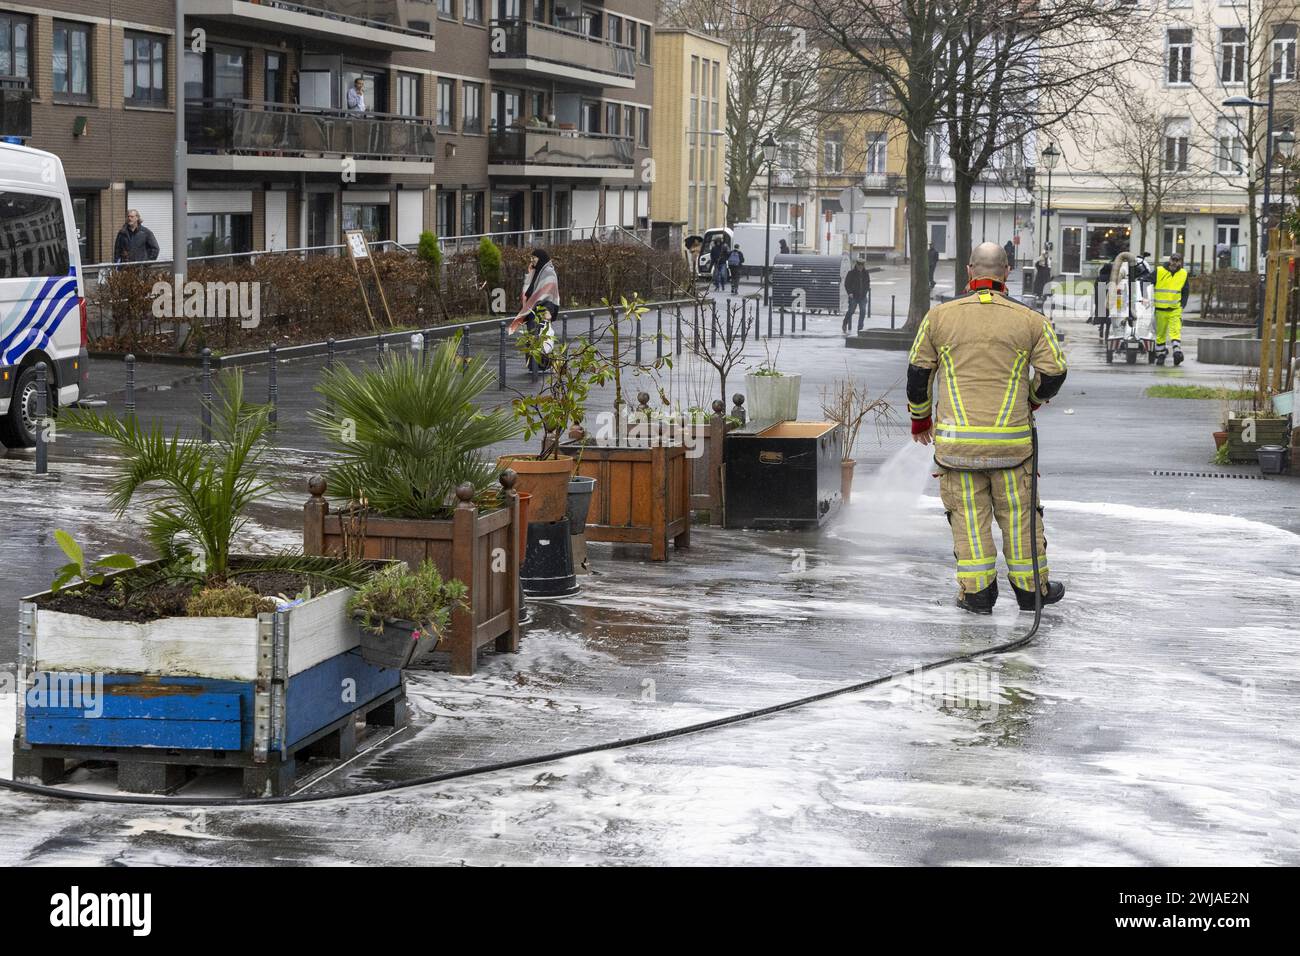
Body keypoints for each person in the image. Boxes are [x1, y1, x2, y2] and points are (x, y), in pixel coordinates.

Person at [906, 242, 1068, 614]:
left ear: (969, 271)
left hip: (957, 447)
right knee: (1020, 517)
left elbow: (918, 373)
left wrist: (921, 419)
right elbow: (1055, 372)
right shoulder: (1030, 320)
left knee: (967, 518)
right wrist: (1032, 400)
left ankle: (977, 594)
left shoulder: (939, 318)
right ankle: (1032, 592)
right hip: (1013, 447)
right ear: (1006, 271)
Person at [509, 248, 561, 371]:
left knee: (539, 337)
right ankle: (533, 365)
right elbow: (529, 289)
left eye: (534, 258)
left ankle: (541, 365)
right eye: (531, 258)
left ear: (541, 258)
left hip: (542, 311)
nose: (531, 260)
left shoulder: (548, 272)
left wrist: (548, 310)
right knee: (532, 337)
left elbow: (550, 292)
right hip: (531, 310)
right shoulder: (535, 271)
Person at [1152, 252, 1189, 366]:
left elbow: (1185, 291)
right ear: (1169, 260)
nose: (1174, 262)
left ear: (1180, 262)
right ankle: (1161, 355)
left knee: (1175, 331)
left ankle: (1177, 352)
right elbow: (1146, 281)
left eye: (1177, 260)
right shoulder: (1159, 271)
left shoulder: (1183, 274)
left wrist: (1182, 305)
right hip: (1160, 309)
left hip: (1175, 308)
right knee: (1160, 334)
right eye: (1173, 260)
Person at [843, 259, 870, 333]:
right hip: (853, 296)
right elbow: (847, 284)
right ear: (857, 265)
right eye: (859, 266)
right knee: (851, 311)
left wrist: (865, 291)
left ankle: (860, 328)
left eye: (862, 266)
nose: (861, 267)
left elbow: (867, 283)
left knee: (863, 311)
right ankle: (845, 322)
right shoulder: (851, 273)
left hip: (863, 296)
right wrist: (850, 293)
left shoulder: (866, 273)